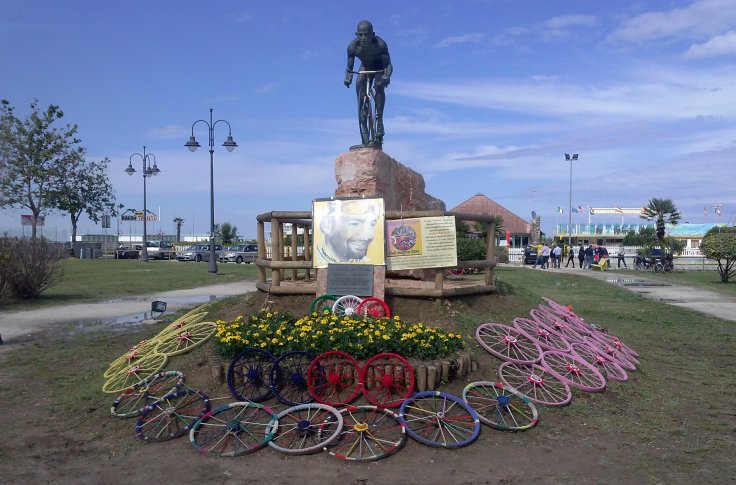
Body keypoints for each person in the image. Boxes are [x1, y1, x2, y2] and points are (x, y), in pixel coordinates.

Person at [344, 20, 393, 147]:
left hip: (379, 66)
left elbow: (388, 65)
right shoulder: (352, 47)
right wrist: (348, 77)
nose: (363, 38)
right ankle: (364, 129)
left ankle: (379, 120)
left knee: (379, 85)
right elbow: (349, 68)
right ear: (356, 34)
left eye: (366, 34)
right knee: (360, 91)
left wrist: (386, 76)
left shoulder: (380, 44)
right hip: (365, 67)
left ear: (373, 34)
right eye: (360, 35)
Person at [315, 199, 380, 265]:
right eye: (355, 223)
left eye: (372, 224)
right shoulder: (319, 260)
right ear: (327, 224)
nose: (366, 237)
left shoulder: (368, 261)